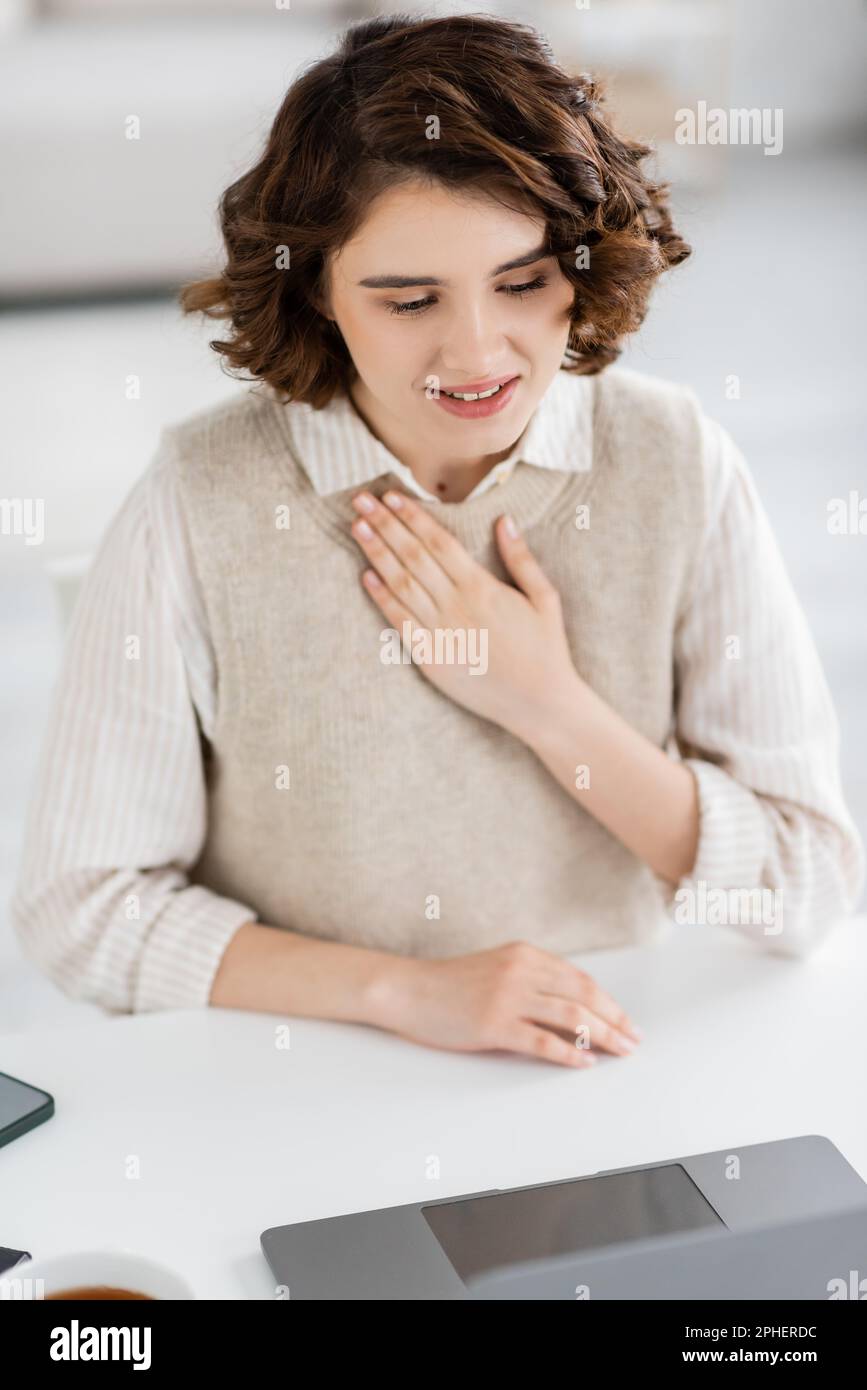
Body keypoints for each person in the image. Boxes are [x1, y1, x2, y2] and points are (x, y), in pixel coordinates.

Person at [11, 13, 863, 1070]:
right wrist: (406, 993)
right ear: (317, 290)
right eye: (410, 299)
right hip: (306, 1077)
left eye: (524, 283)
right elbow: (81, 909)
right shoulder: (198, 498)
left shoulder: (675, 461)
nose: (477, 353)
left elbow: (807, 881)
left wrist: (546, 705)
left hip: (608, 1065)